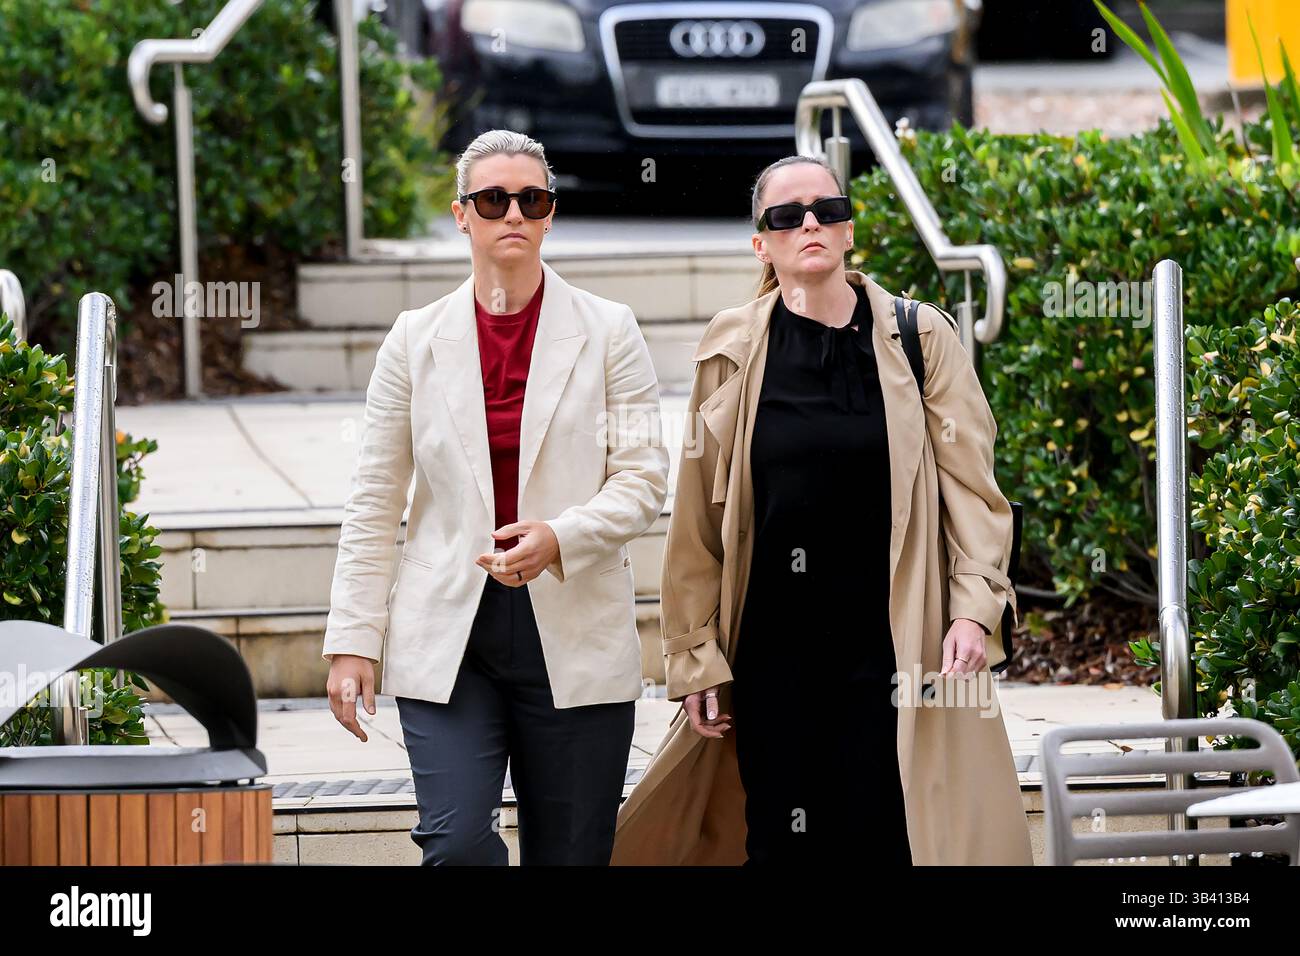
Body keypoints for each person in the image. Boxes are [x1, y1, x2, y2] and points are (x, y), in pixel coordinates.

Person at [610, 154, 1034, 866]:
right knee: (782, 835)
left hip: (897, 641)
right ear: (762, 244)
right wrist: (694, 656)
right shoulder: (732, 347)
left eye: (826, 211)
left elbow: (974, 492)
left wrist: (973, 608)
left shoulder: (920, 337)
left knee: (891, 832)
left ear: (848, 232)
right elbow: (697, 524)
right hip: (772, 651)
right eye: (786, 215)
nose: (809, 223)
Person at [322, 129, 669, 865]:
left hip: (574, 628)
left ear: (549, 215)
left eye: (530, 198)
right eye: (492, 198)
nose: (512, 212)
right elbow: (376, 497)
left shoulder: (612, 332)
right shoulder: (412, 340)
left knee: (573, 854)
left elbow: (644, 481)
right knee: (455, 846)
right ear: (461, 214)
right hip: (450, 633)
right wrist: (353, 639)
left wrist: (561, 536)